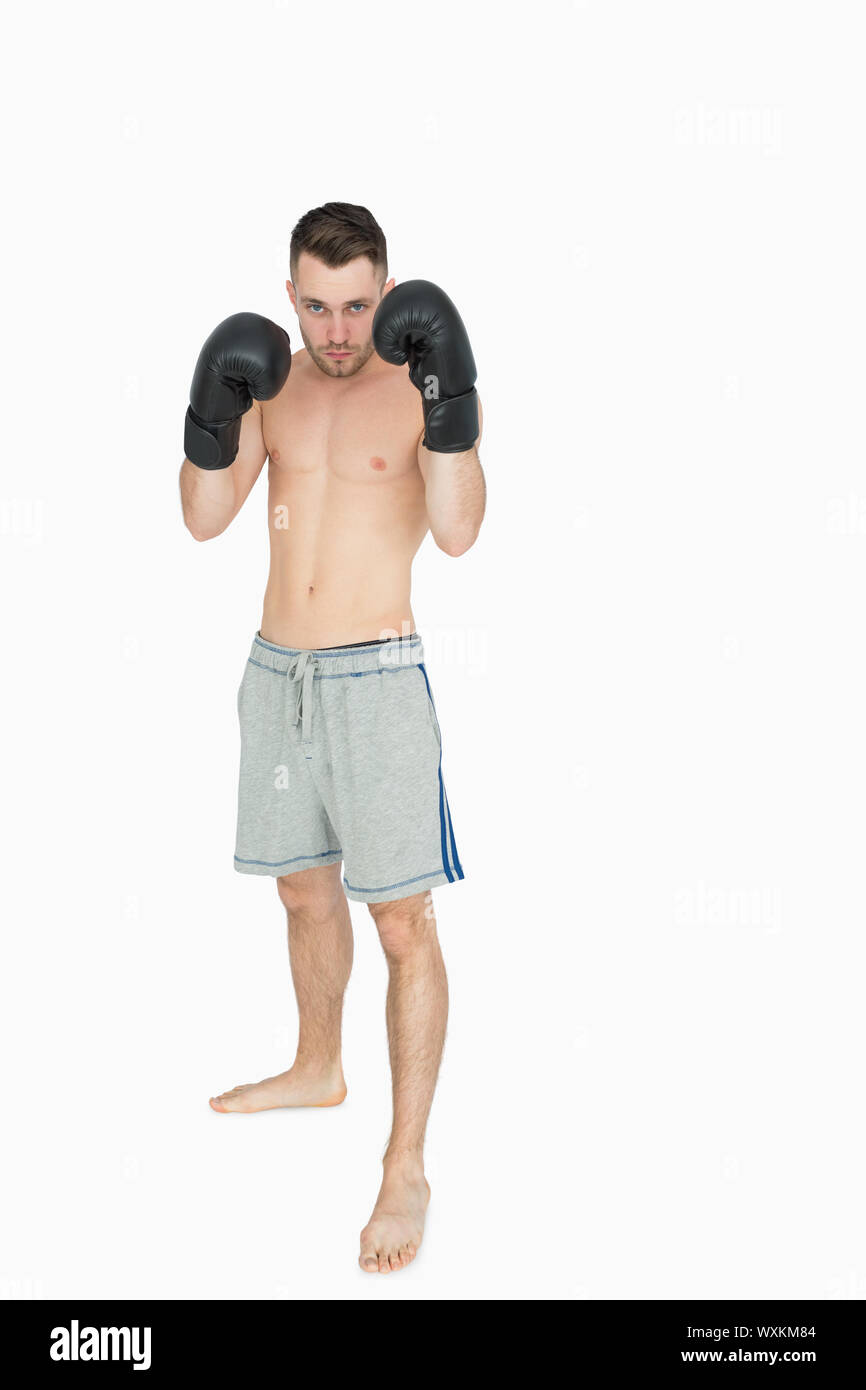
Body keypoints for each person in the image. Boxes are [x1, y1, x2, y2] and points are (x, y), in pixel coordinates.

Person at [179, 202, 484, 1274]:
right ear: (291, 297)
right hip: (276, 672)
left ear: (388, 292)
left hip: (376, 680)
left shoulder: (416, 381)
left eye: (357, 306)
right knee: (300, 888)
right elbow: (205, 518)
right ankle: (318, 1063)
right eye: (316, 305)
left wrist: (451, 400)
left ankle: (405, 1164)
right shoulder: (271, 381)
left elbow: (456, 530)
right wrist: (209, 412)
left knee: (402, 922)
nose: (338, 330)